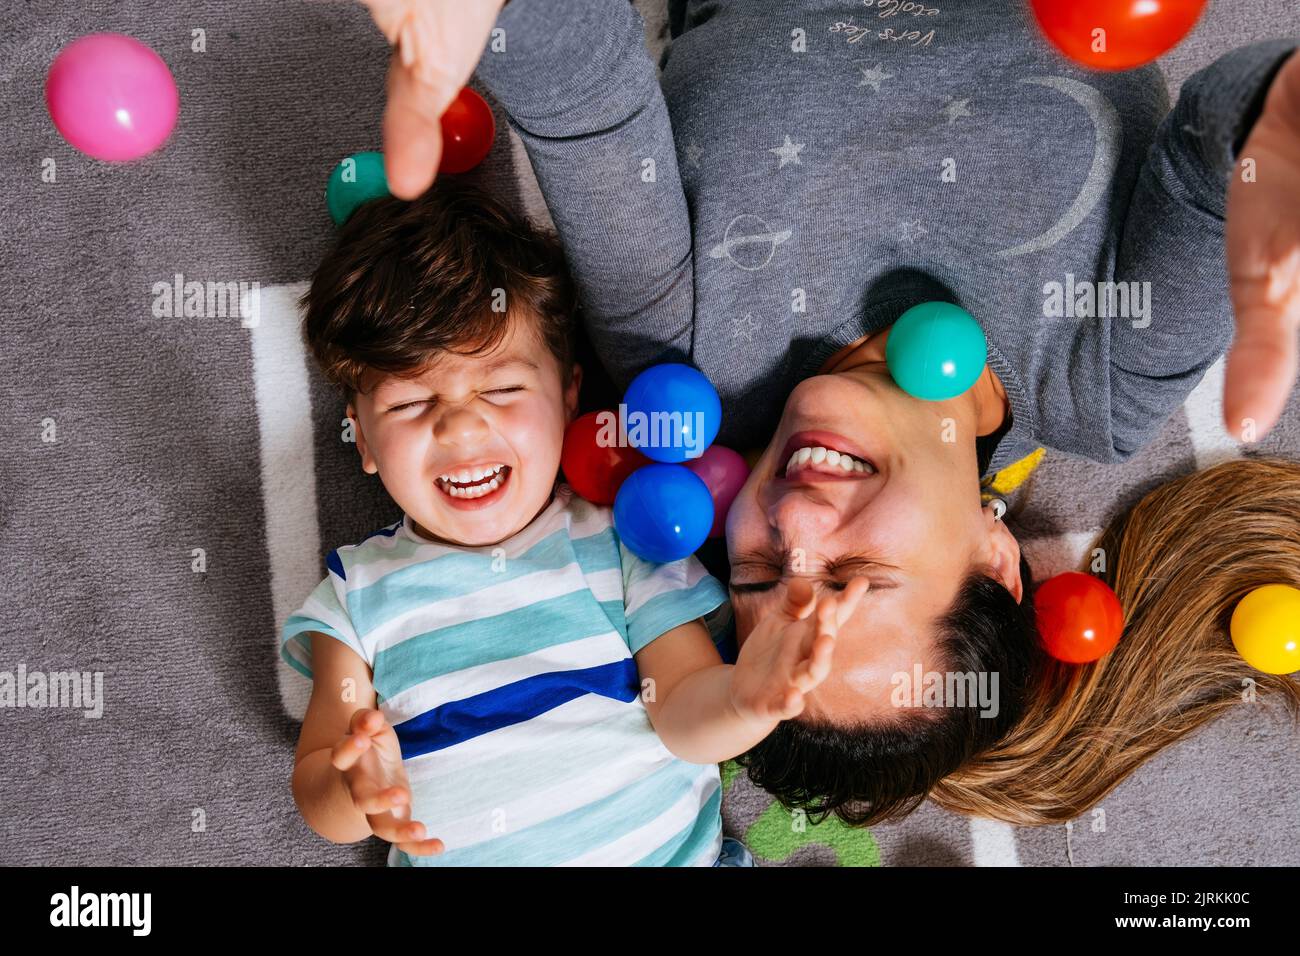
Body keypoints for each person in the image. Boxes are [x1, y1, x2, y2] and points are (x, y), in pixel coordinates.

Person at [355, 0, 1300, 826]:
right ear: (995, 559)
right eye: (854, 575)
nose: (796, 519)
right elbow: (1224, 153)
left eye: (761, 570)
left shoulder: (683, 356)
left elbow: (587, 106)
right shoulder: (1100, 380)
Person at [279, 177, 868, 864]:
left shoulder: (622, 540)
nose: (462, 427)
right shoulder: (357, 599)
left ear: (568, 398)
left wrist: (745, 698)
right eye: (410, 404)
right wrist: (354, 792)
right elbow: (319, 777)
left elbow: (680, 708)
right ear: (363, 438)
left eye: (501, 389)